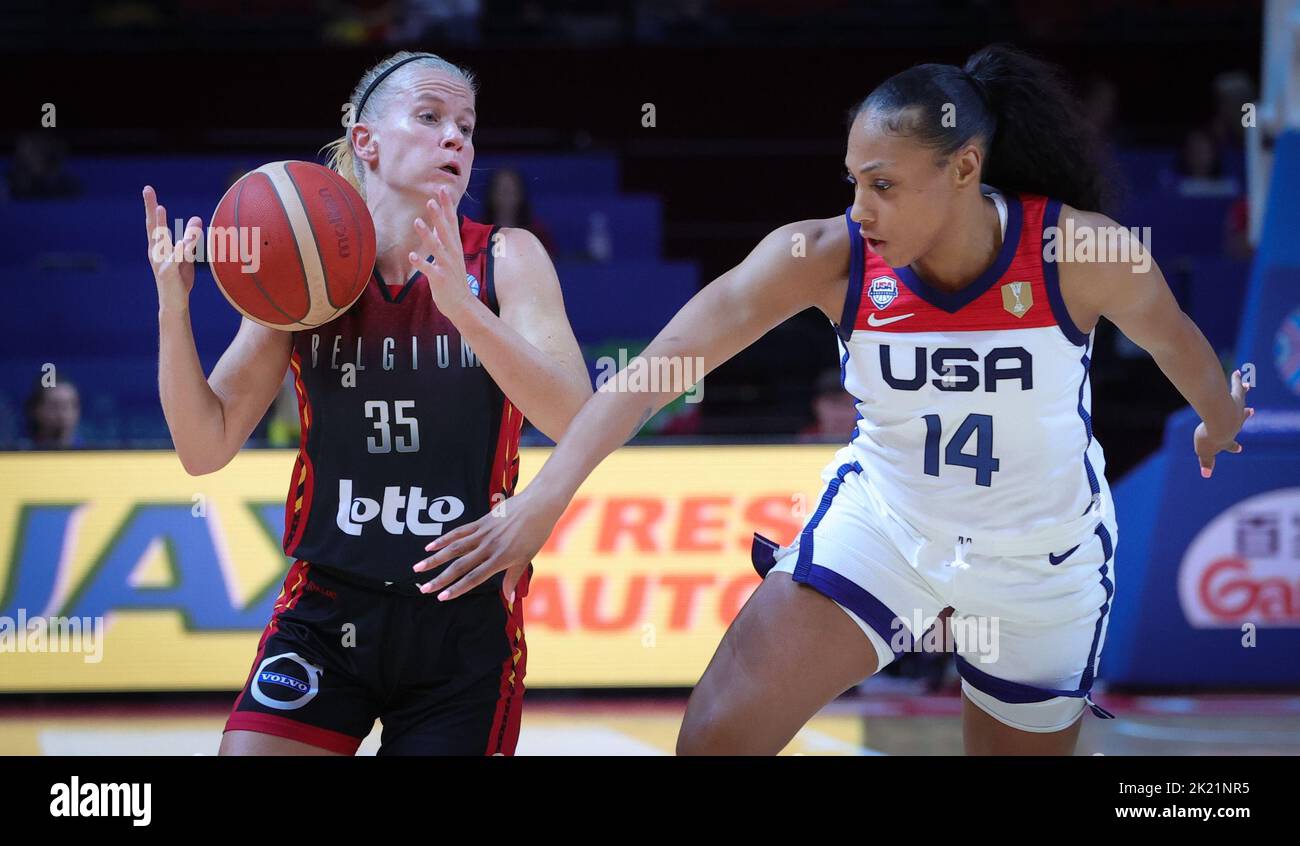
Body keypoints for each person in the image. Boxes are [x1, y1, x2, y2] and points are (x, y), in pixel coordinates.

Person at [413, 45, 1253, 755]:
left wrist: (1220, 424)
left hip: (1043, 558)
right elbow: (653, 373)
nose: (860, 208)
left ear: (964, 168)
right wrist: (542, 502)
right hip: (887, 528)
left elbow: (1182, 346)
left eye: (883, 185)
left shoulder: (1080, 251)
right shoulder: (822, 256)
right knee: (711, 741)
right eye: (853, 181)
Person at [143, 50, 591, 755]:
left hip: (461, 619)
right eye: (430, 117)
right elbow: (206, 445)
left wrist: (467, 314)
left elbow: (576, 417)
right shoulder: (299, 264)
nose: (456, 139)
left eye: (467, 127)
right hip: (327, 611)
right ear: (365, 141)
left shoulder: (507, 257)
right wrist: (173, 314)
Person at [21, 378, 82, 449]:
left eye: (69, 405)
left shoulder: (93, 452)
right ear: (37, 410)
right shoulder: (19, 453)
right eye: (54, 406)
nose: (63, 413)